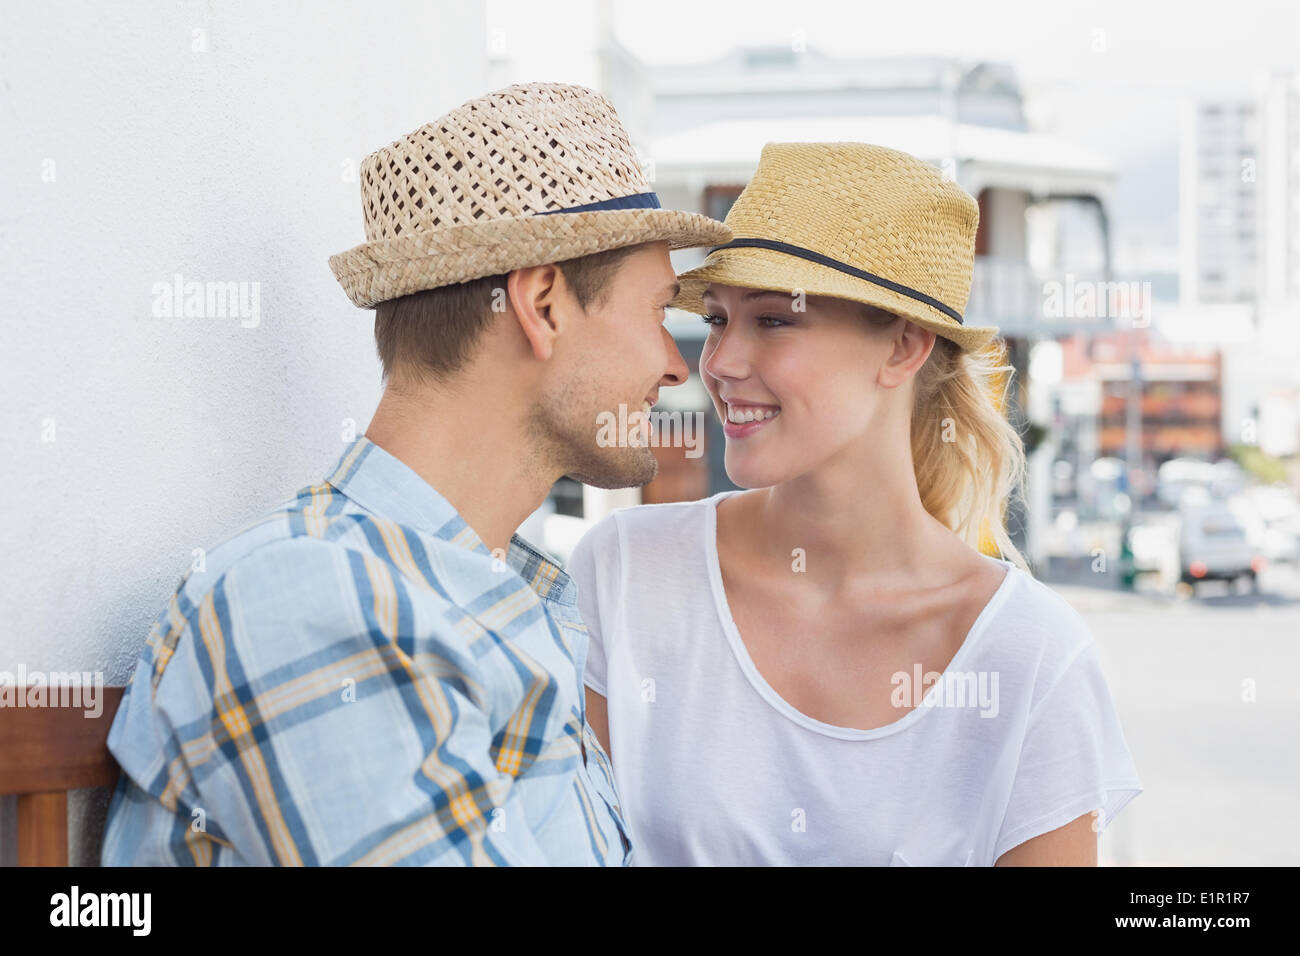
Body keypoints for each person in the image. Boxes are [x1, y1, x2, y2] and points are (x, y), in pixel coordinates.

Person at [100, 82, 730, 866]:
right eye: (656, 312)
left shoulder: (485, 594)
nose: (676, 366)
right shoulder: (315, 603)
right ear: (541, 304)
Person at [568, 142, 1143, 866]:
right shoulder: (627, 573)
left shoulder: (1031, 657)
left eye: (773, 320)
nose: (720, 364)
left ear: (903, 348)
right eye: (717, 320)